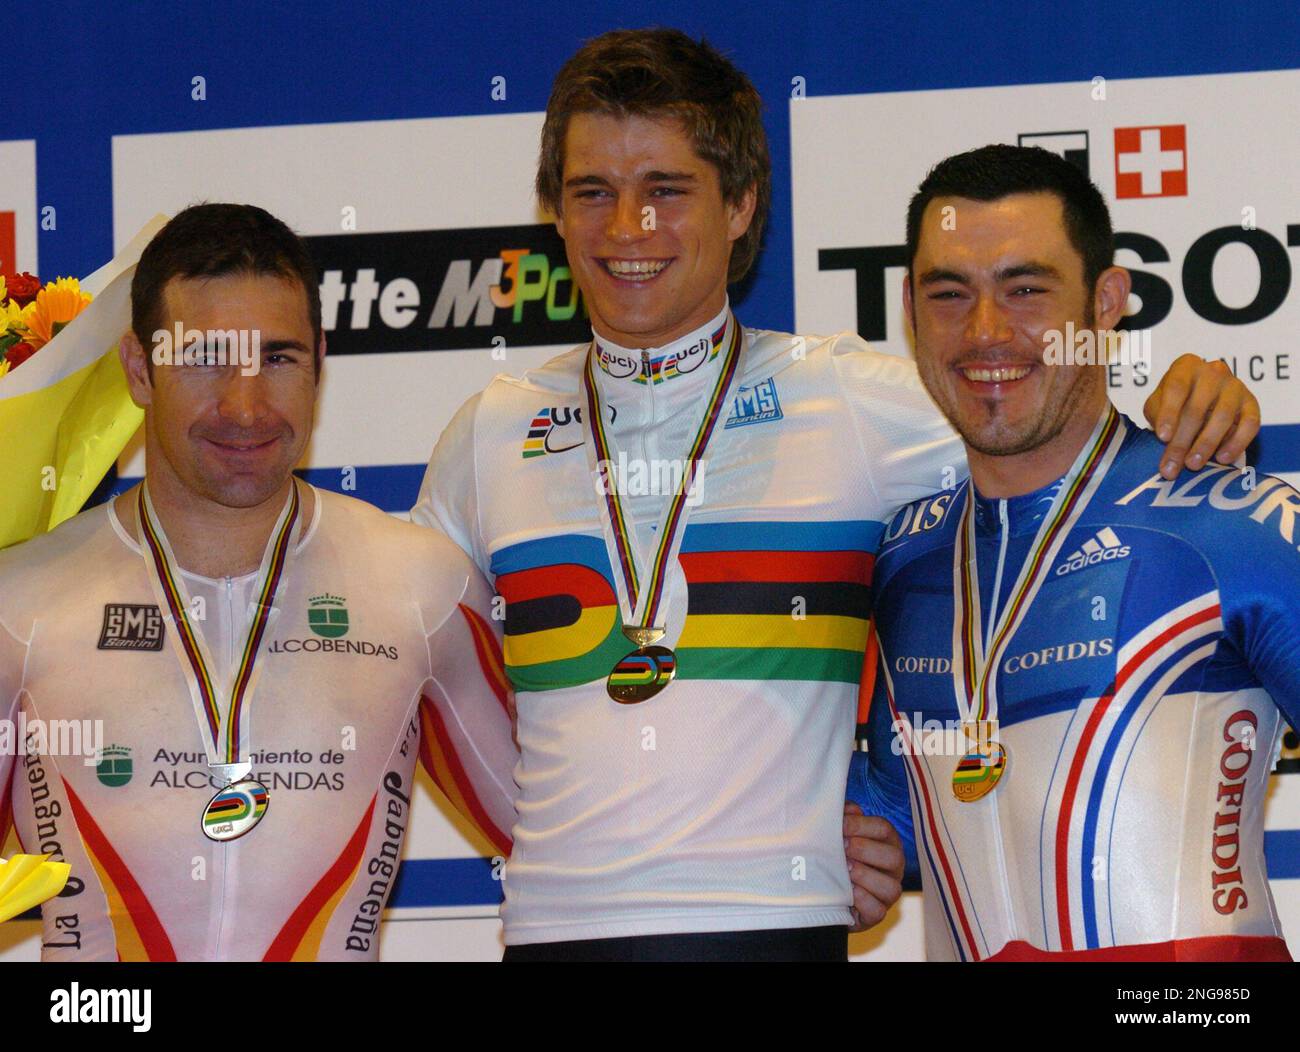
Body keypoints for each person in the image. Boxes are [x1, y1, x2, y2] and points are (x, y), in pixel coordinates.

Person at [412, 29, 1259, 961]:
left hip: (780, 931)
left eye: (666, 190)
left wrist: (1196, 395)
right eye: (593, 193)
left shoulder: (854, 401)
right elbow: (399, 663)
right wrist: (543, 834)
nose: (629, 228)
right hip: (549, 932)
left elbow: (1056, 455)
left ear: (740, 207)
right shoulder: (490, 431)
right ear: (554, 215)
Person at [0, 204, 518, 961]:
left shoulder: (421, 587)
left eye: (277, 358)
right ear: (140, 370)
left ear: (320, 361)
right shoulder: (21, 603)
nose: (245, 406)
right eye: (206, 357)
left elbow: (567, 854)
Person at [850, 143, 1295, 961]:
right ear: (909, 309)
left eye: (1025, 290)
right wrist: (845, 852)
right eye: (950, 294)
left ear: (1106, 302)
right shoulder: (904, 561)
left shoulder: (1234, 524)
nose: (985, 331)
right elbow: (900, 819)